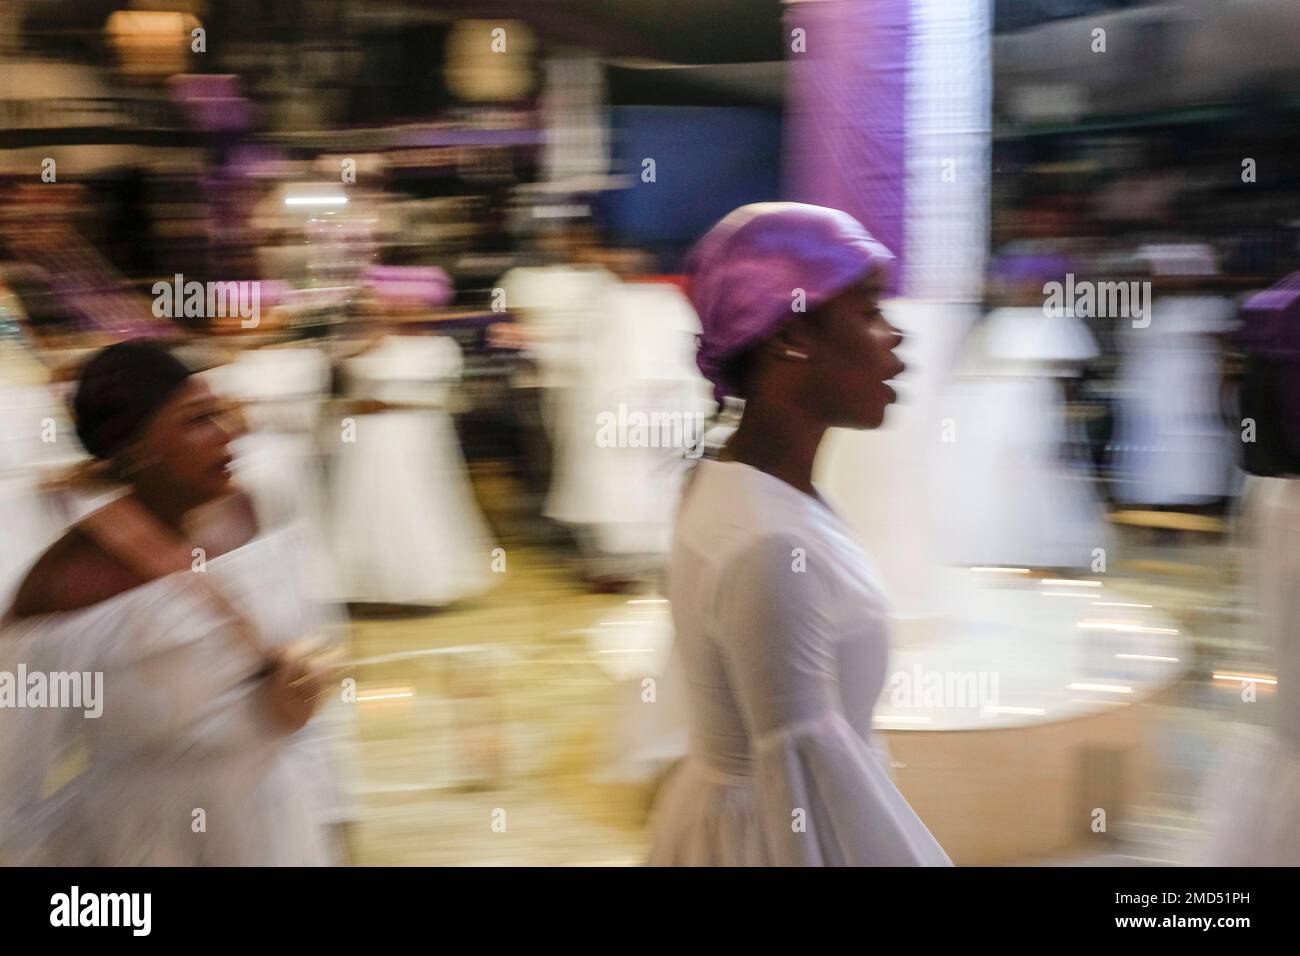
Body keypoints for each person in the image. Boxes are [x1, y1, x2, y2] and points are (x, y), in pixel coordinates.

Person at [647, 202, 950, 865]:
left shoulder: (738, 481)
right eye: (870, 310)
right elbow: (807, 798)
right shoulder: (769, 544)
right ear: (791, 336)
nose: (896, 337)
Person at [0, 340, 340, 865]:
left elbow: (309, 658)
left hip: (278, 820)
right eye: (198, 421)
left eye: (221, 413)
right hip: (153, 841)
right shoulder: (62, 587)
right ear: (136, 448)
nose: (228, 434)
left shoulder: (258, 513)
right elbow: (11, 778)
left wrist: (330, 804)